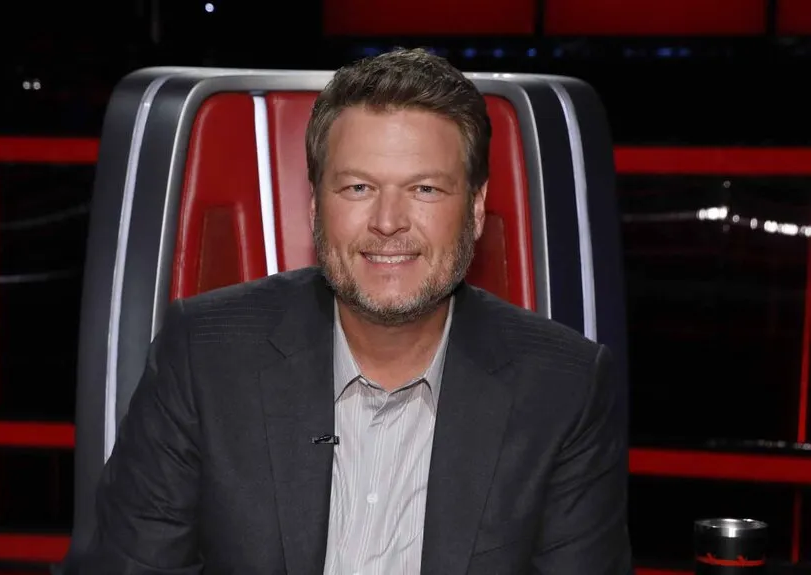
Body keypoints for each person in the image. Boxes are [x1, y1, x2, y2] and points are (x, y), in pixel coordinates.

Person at [75, 48, 632, 574]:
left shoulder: (565, 390)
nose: (388, 221)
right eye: (359, 186)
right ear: (316, 205)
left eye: (426, 189)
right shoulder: (201, 354)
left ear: (477, 209)